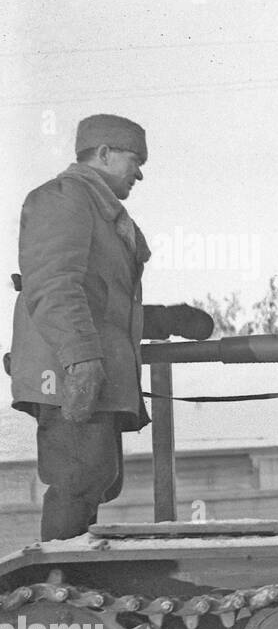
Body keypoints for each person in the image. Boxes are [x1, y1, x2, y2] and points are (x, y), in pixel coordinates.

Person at [9, 113, 214, 540]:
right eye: (134, 159)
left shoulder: (93, 208)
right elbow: (51, 287)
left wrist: (167, 319)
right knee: (78, 481)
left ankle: (71, 587)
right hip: (71, 373)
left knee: (93, 481)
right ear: (102, 154)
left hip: (87, 371)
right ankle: (59, 589)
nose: (139, 172)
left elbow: (101, 304)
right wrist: (81, 360)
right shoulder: (64, 198)